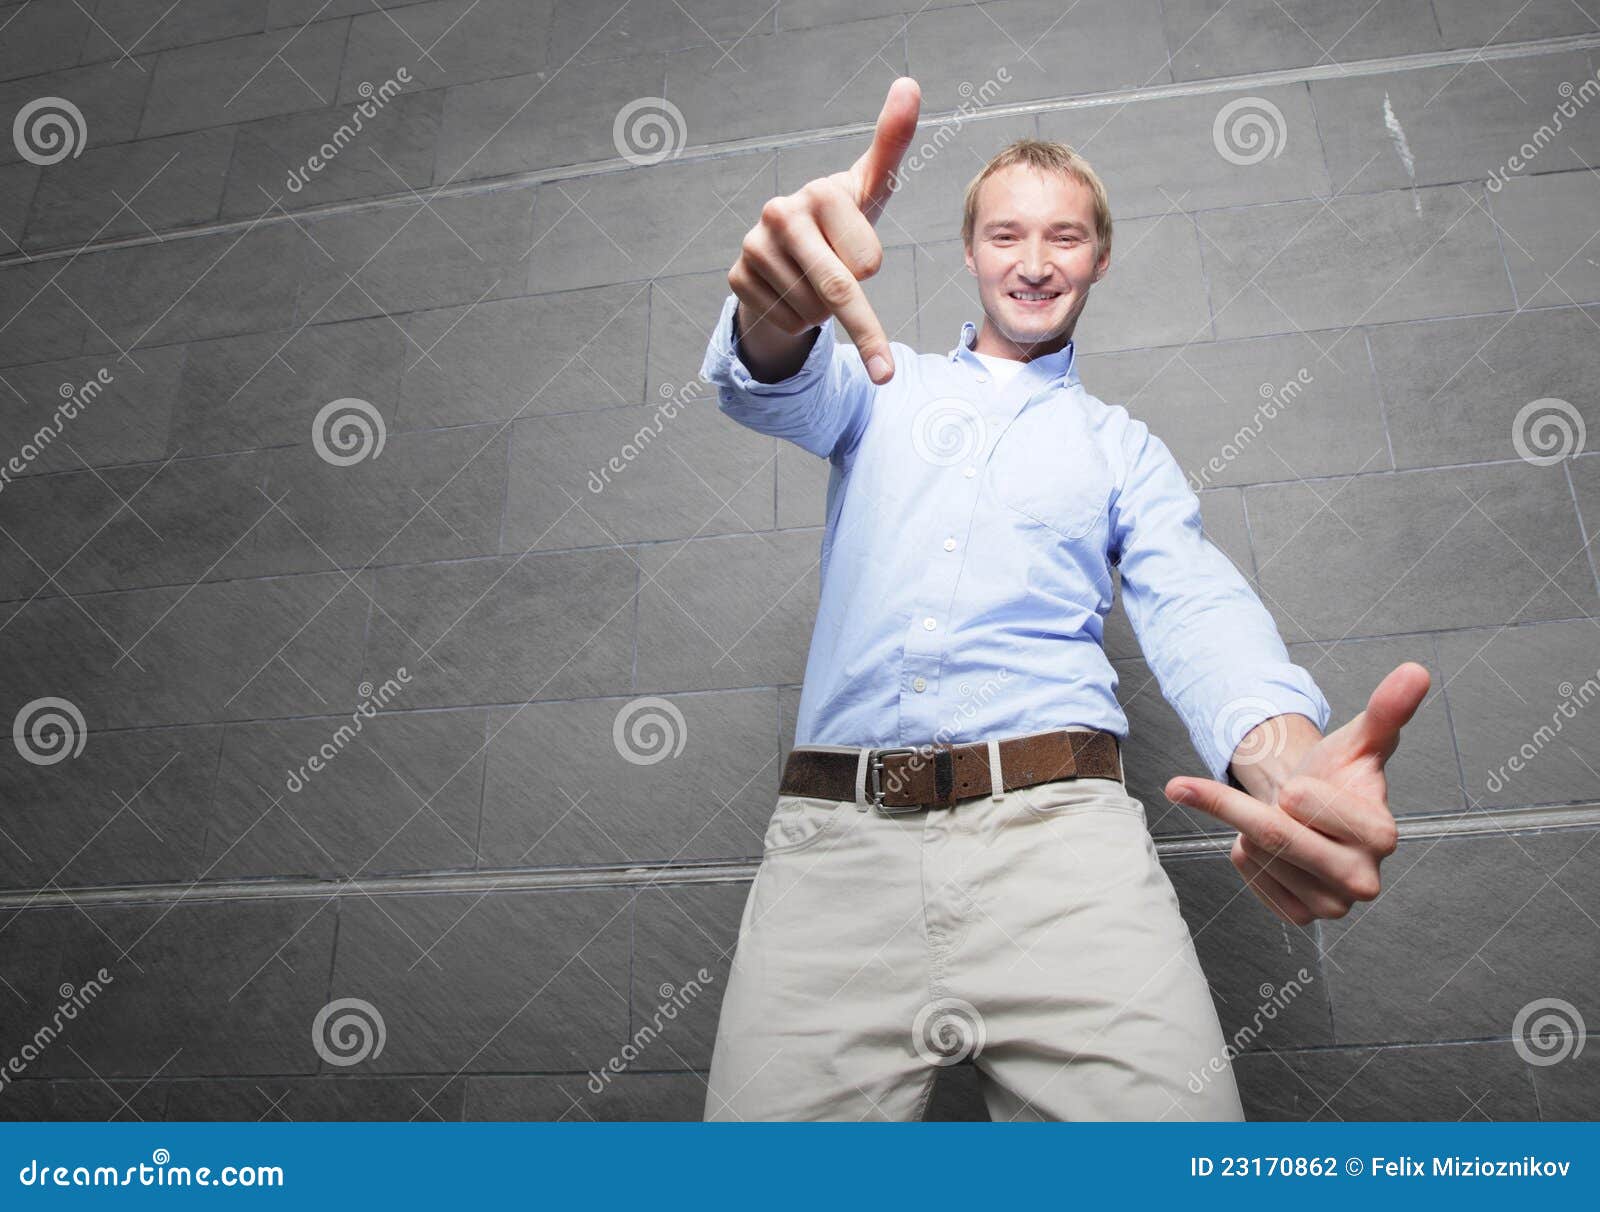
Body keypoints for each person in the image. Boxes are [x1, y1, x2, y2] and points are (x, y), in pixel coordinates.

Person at [698, 77, 1428, 1122]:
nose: (1033, 264)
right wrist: (774, 308)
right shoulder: (876, 379)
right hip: (833, 861)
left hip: (1064, 857)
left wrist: (1284, 764)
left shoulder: (1120, 448)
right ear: (967, 250)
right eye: (1005, 236)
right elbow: (767, 375)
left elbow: (1197, 607)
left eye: (1064, 239)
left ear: (1097, 259)